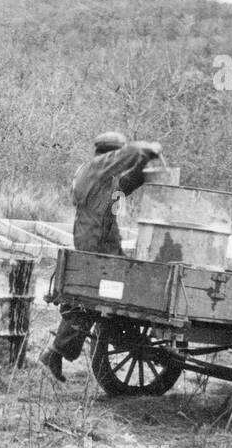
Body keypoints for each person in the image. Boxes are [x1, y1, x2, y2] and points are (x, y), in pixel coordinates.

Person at [38, 132, 163, 382]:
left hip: (105, 241)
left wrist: (143, 170)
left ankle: (59, 352)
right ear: (108, 155)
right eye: (115, 157)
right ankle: (55, 353)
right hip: (91, 240)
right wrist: (145, 148)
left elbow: (125, 187)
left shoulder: (108, 181)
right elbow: (123, 157)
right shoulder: (93, 170)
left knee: (102, 298)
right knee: (88, 299)